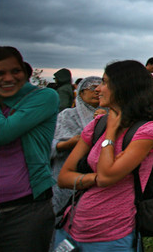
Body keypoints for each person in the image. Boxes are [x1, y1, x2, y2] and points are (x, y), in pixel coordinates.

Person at [54, 60, 153, 251]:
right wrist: (95, 178)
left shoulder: (147, 131)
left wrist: (110, 134)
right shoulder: (97, 125)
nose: (99, 89)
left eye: (105, 82)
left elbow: (108, 175)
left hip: (114, 235)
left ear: (125, 87)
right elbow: (64, 177)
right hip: (73, 228)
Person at [0, 46, 59, 252]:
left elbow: (1, 133)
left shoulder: (43, 97)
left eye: (15, 71)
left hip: (25, 210)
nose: (8, 78)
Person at [51, 76, 102, 221]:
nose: (97, 91)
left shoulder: (111, 115)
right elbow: (49, 145)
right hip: (66, 174)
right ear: (80, 93)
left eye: (100, 88)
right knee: (63, 217)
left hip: (95, 178)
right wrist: (69, 143)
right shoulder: (67, 116)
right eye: (92, 88)